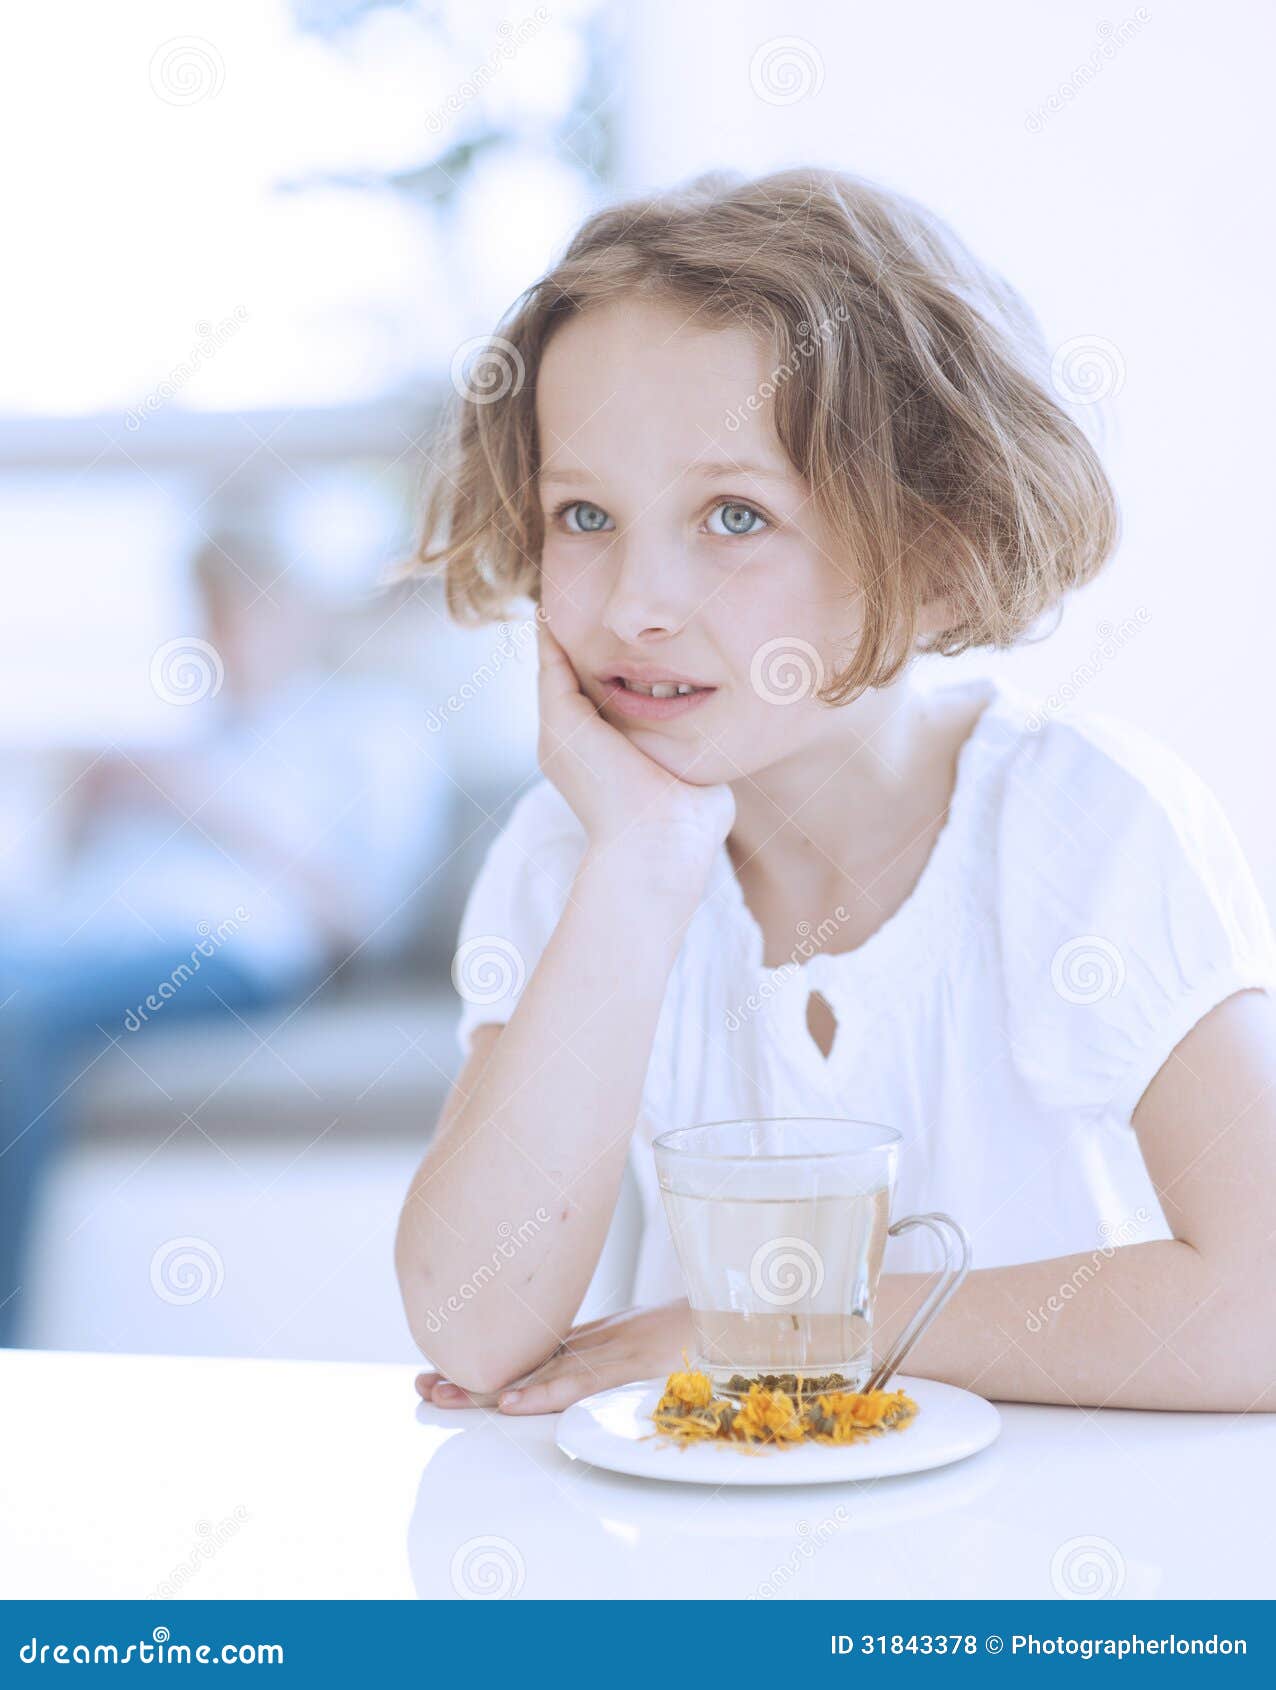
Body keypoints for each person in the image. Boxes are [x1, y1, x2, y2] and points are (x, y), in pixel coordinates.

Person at [394, 167, 1276, 1415]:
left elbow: (1261, 1306)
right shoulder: (578, 853)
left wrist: (786, 1327)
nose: (639, 602)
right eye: (584, 511)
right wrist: (640, 866)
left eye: (736, 516)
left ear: (936, 555)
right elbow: (476, 1328)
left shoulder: (1083, 826)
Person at [0, 527, 443, 1346]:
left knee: (13, 1016)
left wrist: (195, 799)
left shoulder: (369, 727)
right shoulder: (188, 728)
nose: (220, 637)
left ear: (296, 612)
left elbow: (367, 919)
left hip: (227, 949)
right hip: (83, 929)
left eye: (238, 611)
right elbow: (58, 888)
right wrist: (87, 804)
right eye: (207, 615)